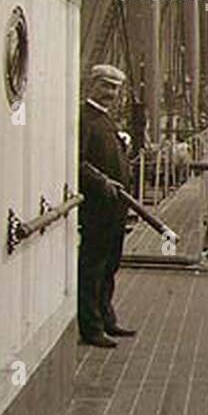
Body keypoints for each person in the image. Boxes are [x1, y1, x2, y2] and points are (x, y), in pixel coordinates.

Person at [78, 64, 138, 347]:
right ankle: (91, 328)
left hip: (116, 207)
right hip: (97, 206)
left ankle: (107, 319)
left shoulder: (105, 120)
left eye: (115, 88)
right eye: (106, 86)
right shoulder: (85, 119)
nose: (111, 93)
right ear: (92, 84)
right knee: (93, 266)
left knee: (110, 265)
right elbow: (78, 161)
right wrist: (102, 182)